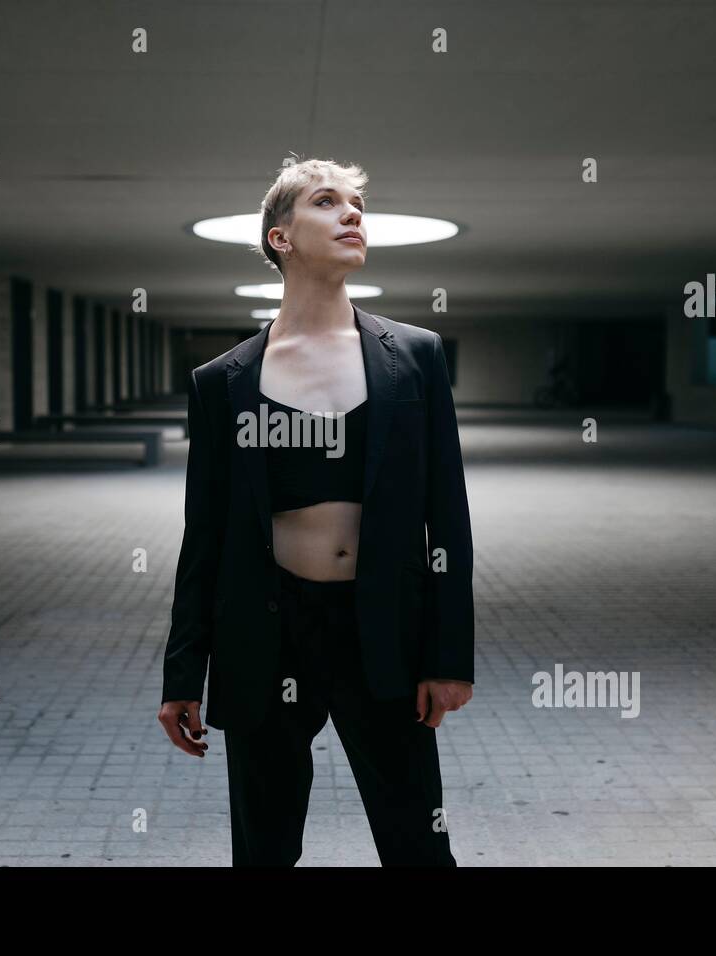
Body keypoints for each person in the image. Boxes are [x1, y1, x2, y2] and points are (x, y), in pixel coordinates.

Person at [158, 157, 474, 866]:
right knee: (264, 852)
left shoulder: (413, 358)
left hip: (382, 628)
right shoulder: (224, 382)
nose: (352, 213)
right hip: (266, 633)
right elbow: (203, 537)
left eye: (358, 203)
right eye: (328, 202)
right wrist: (183, 675)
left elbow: (447, 517)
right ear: (281, 238)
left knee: (419, 847)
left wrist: (449, 654)